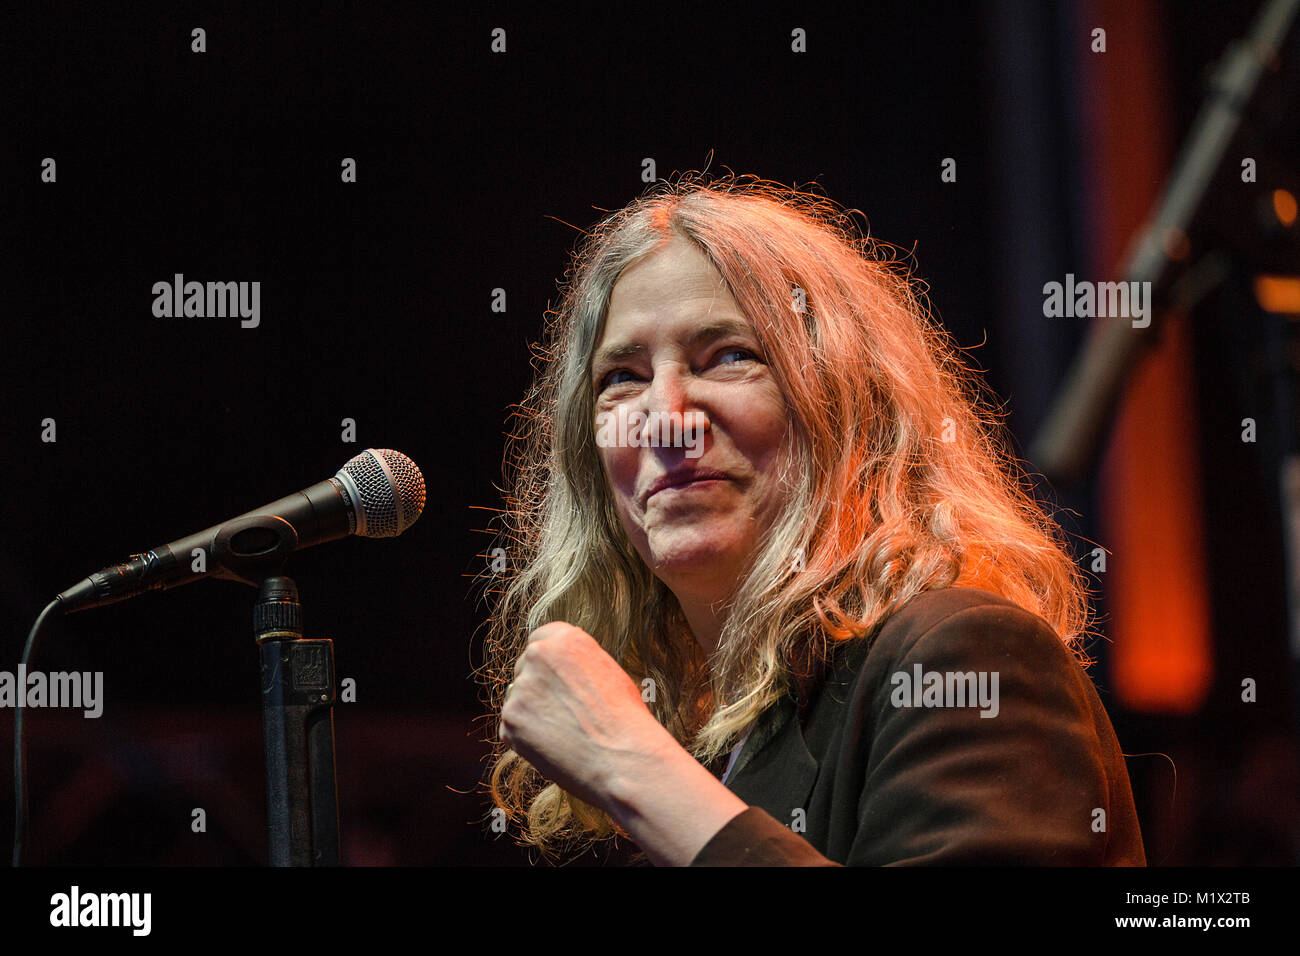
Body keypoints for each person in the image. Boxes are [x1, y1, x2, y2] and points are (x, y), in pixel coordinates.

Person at [478, 175, 1146, 866]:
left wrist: (629, 765)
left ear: (851, 408)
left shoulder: (963, 654)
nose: (666, 419)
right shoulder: (716, 753)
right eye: (622, 376)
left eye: (730, 356)